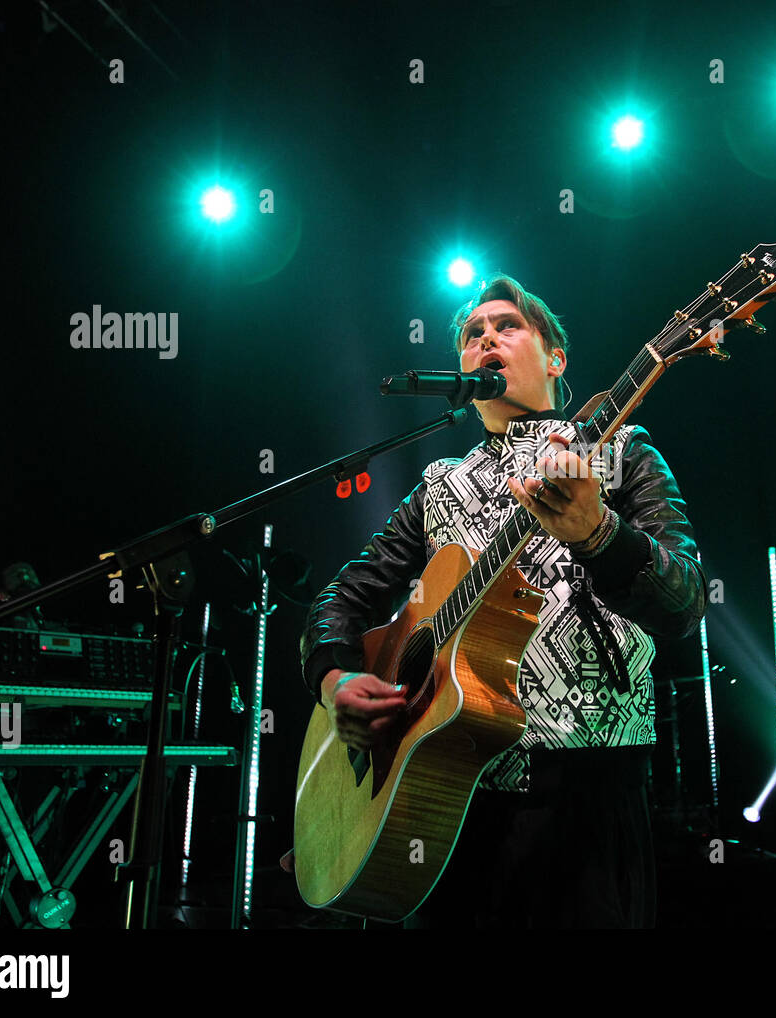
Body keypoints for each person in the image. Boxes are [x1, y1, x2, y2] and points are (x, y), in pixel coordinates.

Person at [298, 274, 707, 928]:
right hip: (438, 805)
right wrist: (334, 676)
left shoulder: (622, 451)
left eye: (506, 325)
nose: (486, 337)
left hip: (582, 809)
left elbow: (683, 602)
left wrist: (598, 533)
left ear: (554, 359)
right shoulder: (439, 485)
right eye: (471, 334)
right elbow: (340, 600)